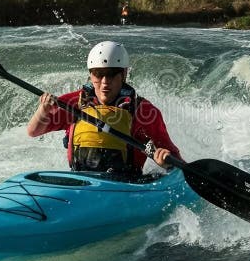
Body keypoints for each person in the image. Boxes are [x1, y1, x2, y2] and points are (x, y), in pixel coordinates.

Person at [26, 40, 181, 178]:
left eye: (112, 74)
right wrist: (43, 110)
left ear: (124, 74)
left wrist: (165, 162)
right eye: (99, 74)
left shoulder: (144, 111)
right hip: (82, 181)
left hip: (127, 186)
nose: (105, 82)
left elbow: (175, 160)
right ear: (91, 75)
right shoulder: (73, 102)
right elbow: (34, 131)